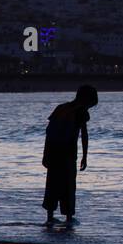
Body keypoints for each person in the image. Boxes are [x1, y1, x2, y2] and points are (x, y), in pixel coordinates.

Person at [42, 85, 98, 225]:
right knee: (68, 186)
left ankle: (50, 218)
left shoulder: (60, 108)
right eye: (90, 104)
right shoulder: (80, 112)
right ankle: (68, 218)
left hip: (53, 152)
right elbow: (84, 135)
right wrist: (85, 156)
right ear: (86, 100)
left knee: (52, 185)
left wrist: (45, 154)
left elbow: (48, 132)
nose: (89, 108)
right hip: (67, 154)